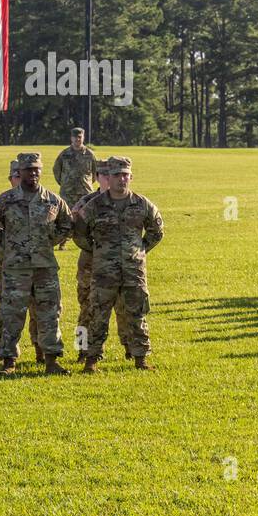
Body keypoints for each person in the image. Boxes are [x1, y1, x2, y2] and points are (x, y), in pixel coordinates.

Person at [0, 152, 73, 375]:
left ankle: (51, 360)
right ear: (18, 172)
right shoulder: (6, 200)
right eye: (28, 169)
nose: (32, 173)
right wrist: (4, 242)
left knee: (50, 313)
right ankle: (9, 361)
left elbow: (67, 224)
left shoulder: (53, 200)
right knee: (12, 314)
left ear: (41, 171)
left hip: (45, 267)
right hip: (15, 268)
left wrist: (51, 241)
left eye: (36, 169)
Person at [74, 156, 164, 372]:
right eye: (116, 175)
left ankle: (140, 357)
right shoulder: (94, 205)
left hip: (134, 271)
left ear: (131, 177)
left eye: (125, 175)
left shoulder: (142, 204)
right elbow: (79, 233)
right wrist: (98, 251)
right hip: (104, 272)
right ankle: (91, 359)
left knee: (137, 313)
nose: (121, 179)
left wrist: (139, 250)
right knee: (97, 314)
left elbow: (157, 231)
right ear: (107, 177)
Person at [70, 159, 130, 361]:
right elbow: (76, 232)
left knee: (125, 308)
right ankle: (82, 349)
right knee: (87, 308)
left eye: (109, 175)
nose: (107, 179)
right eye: (103, 175)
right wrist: (95, 248)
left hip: (121, 265)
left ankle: (131, 348)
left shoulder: (128, 201)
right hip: (90, 265)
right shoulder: (87, 202)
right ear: (97, 178)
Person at [0, 159, 42, 363]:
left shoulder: (41, 199)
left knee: (39, 307)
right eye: (17, 176)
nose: (20, 179)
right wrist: (3, 243)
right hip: (6, 262)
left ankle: (40, 349)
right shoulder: (4, 202)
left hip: (37, 263)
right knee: (6, 306)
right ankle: (1, 350)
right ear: (11, 178)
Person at [52, 128, 98, 250]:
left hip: (85, 192)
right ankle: (62, 243)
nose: (78, 139)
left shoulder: (89, 154)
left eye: (80, 137)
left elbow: (95, 172)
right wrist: (64, 183)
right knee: (65, 218)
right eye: (75, 137)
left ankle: (89, 242)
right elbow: (56, 170)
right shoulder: (64, 154)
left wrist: (87, 183)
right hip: (68, 192)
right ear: (71, 138)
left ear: (83, 137)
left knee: (87, 217)